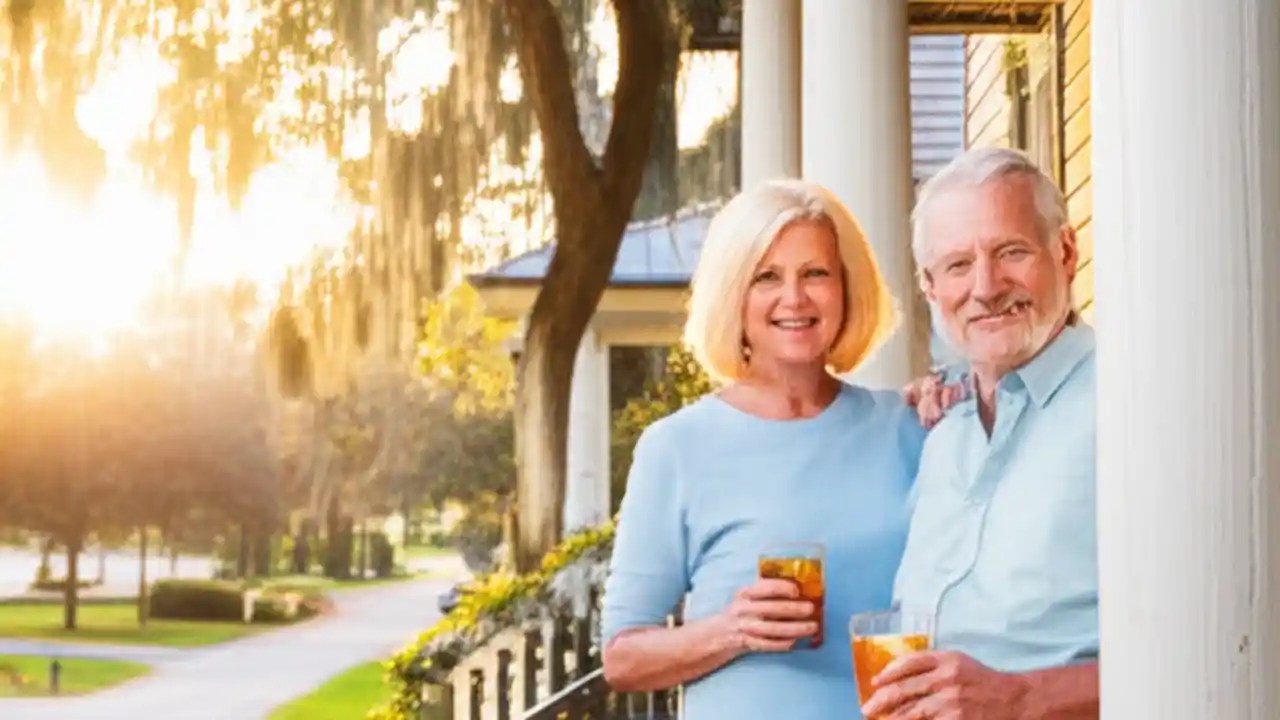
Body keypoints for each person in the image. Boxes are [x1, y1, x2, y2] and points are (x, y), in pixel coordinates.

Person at [600, 179, 926, 718]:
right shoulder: (677, 449)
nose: (794, 298)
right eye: (766, 277)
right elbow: (622, 658)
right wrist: (731, 631)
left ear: (846, 289)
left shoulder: (909, 427)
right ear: (734, 295)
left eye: (815, 274)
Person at [862, 147, 1099, 719]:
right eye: (958, 266)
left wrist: (1023, 698)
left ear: (1065, 251)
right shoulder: (942, 429)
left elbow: (1222, 633)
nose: (987, 287)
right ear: (929, 287)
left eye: (1011, 251)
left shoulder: (1133, 406)